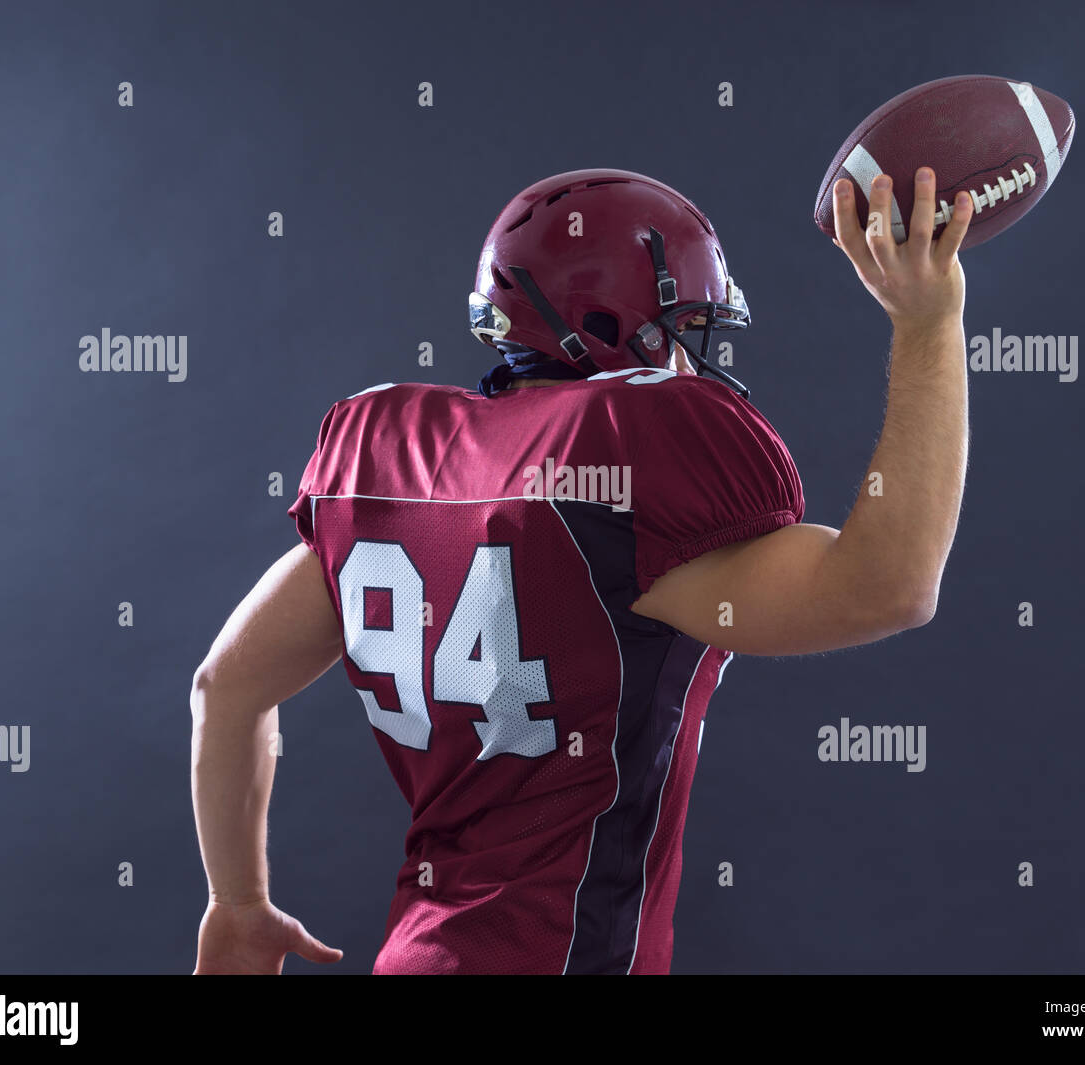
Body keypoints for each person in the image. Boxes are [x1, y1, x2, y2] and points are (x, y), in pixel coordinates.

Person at [190, 167, 974, 974]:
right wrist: (928, 325)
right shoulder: (616, 482)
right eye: (682, 327)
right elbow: (889, 585)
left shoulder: (391, 464)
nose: (691, 358)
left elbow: (224, 686)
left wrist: (238, 901)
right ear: (616, 325)